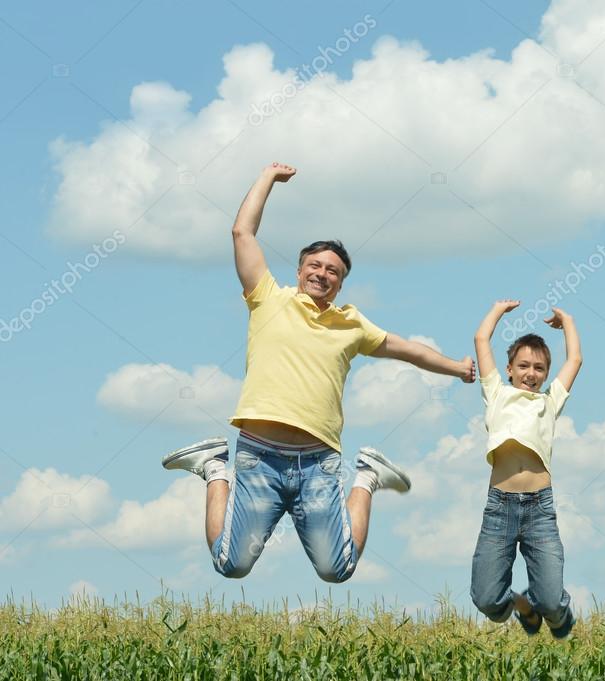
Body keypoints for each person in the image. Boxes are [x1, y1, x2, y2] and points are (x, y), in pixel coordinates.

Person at [162, 162, 476, 582]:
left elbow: (408, 351)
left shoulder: (352, 324)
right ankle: (214, 467)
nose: (322, 274)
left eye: (333, 271)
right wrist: (268, 178)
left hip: (318, 463)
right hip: (260, 457)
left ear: (340, 284)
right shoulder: (268, 298)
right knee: (231, 565)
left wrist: (457, 368)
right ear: (299, 271)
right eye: (315, 265)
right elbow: (242, 233)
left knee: (337, 569)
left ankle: (368, 477)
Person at [469, 300, 582, 638]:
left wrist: (567, 319)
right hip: (499, 507)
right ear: (509, 369)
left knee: (551, 601)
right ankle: (523, 606)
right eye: (523, 366)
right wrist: (497, 310)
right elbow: (481, 339)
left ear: (546, 374)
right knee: (487, 600)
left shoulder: (549, 401)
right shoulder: (496, 393)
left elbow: (575, 360)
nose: (531, 374)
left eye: (539, 368)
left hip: (539, 509)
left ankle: (554, 614)